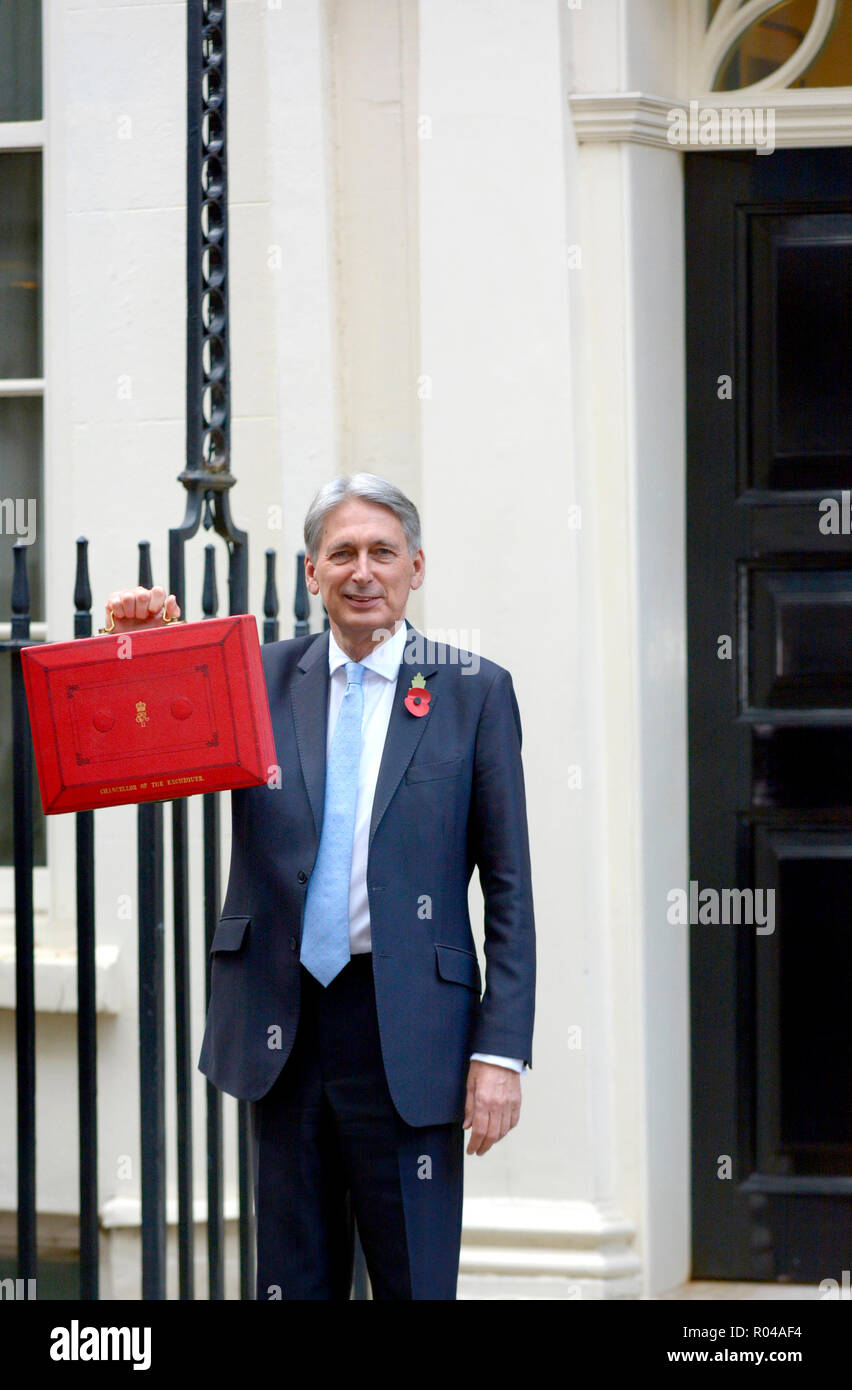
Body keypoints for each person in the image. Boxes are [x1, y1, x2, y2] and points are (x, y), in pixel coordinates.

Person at [104, 473, 535, 1300]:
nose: (362, 571)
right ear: (311, 573)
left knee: (414, 1277)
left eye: (382, 551)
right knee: (293, 1280)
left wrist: (499, 1051)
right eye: (341, 553)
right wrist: (142, 648)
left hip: (412, 1027)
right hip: (282, 1019)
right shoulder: (253, 680)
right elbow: (137, 749)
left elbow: (509, 887)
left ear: (416, 566)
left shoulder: (474, 690)